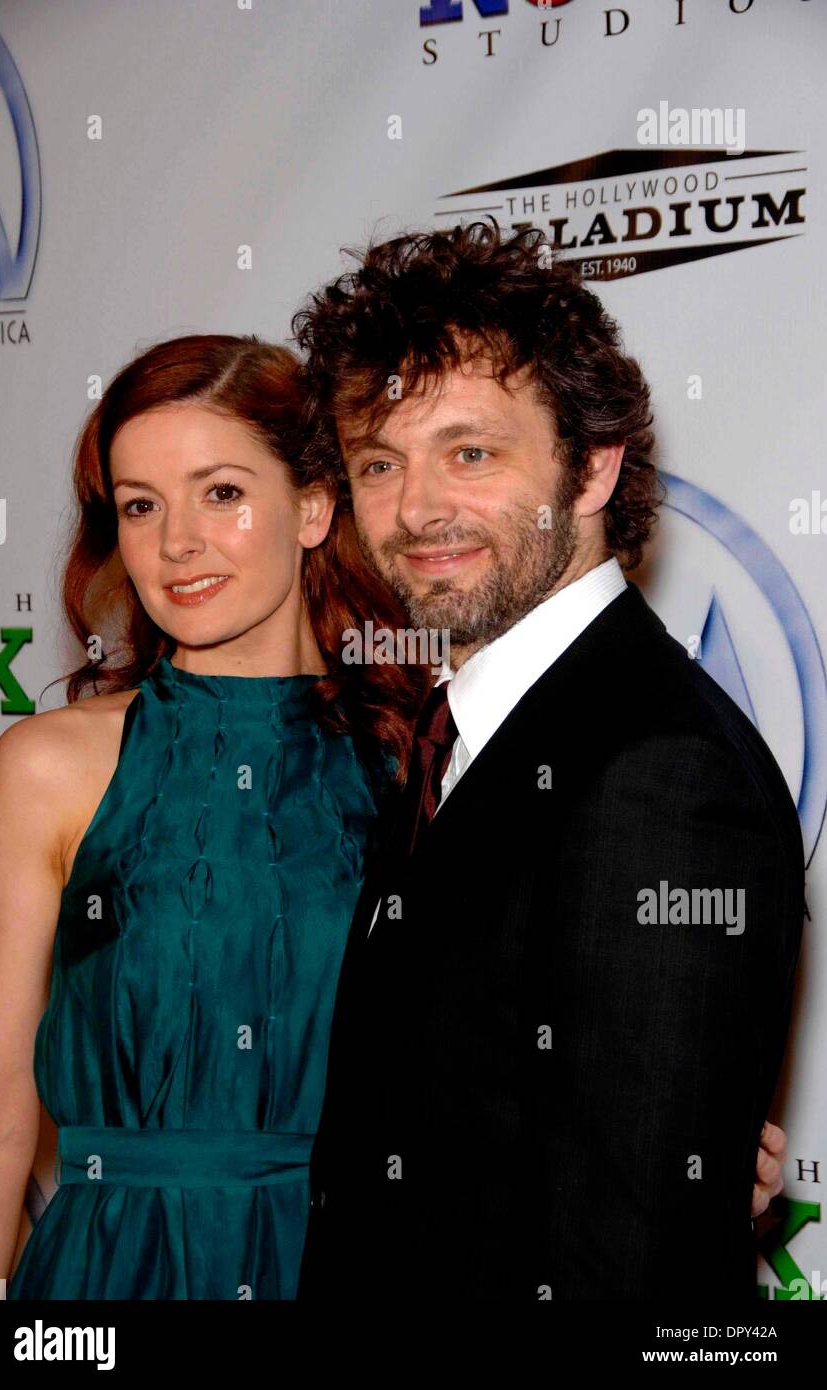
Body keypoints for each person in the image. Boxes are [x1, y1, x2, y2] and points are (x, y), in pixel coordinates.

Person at [292, 221, 806, 1299]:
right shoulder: (457, 735)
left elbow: (629, 1256)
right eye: (379, 462)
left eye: (470, 453)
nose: (417, 507)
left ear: (591, 465)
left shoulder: (660, 774)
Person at [0, 335, 422, 1300]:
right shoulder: (51, 767)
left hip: (350, 1259)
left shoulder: (412, 762)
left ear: (311, 505)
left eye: (221, 493)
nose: (176, 543)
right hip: (110, 1273)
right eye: (141, 505)